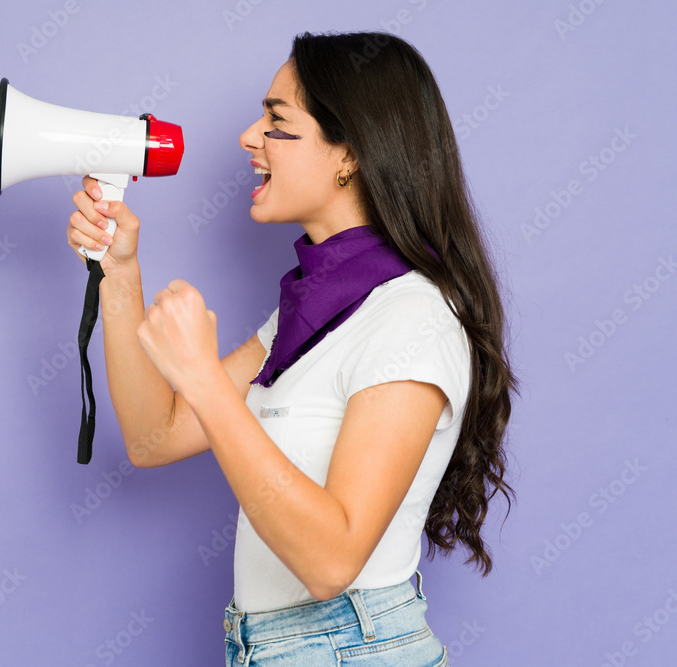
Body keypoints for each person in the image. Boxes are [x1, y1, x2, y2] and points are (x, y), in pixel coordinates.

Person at [67, 30, 517, 667]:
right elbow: (152, 437)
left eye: (277, 122)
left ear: (349, 153)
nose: (249, 137)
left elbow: (331, 562)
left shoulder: (413, 318)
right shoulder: (311, 312)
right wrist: (119, 272)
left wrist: (202, 378)